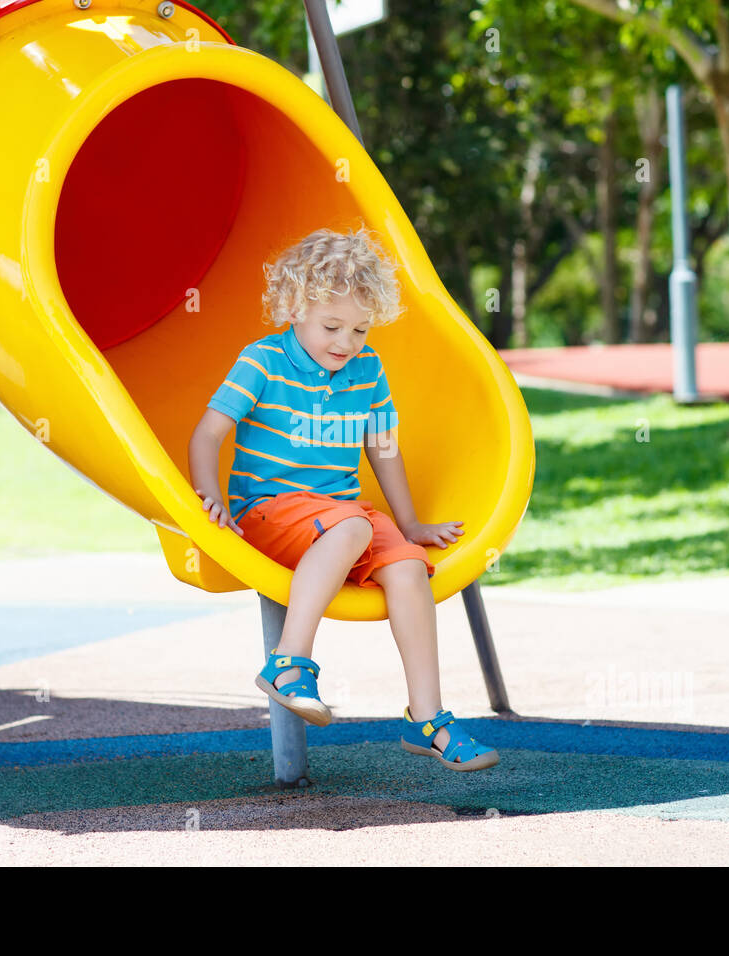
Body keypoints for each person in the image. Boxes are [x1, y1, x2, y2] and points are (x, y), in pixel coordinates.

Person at [187, 226, 499, 771]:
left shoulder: (366, 368)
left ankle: (427, 718)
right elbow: (208, 433)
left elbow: (383, 450)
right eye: (332, 326)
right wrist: (209, 498)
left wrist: (411, 525)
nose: (345, 342)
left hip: (341, 516)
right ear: (295, 307)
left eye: (359, 329)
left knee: (407, 566)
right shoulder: (263, 361)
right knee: (351, 527)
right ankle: (289, 663)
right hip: (269, 510)